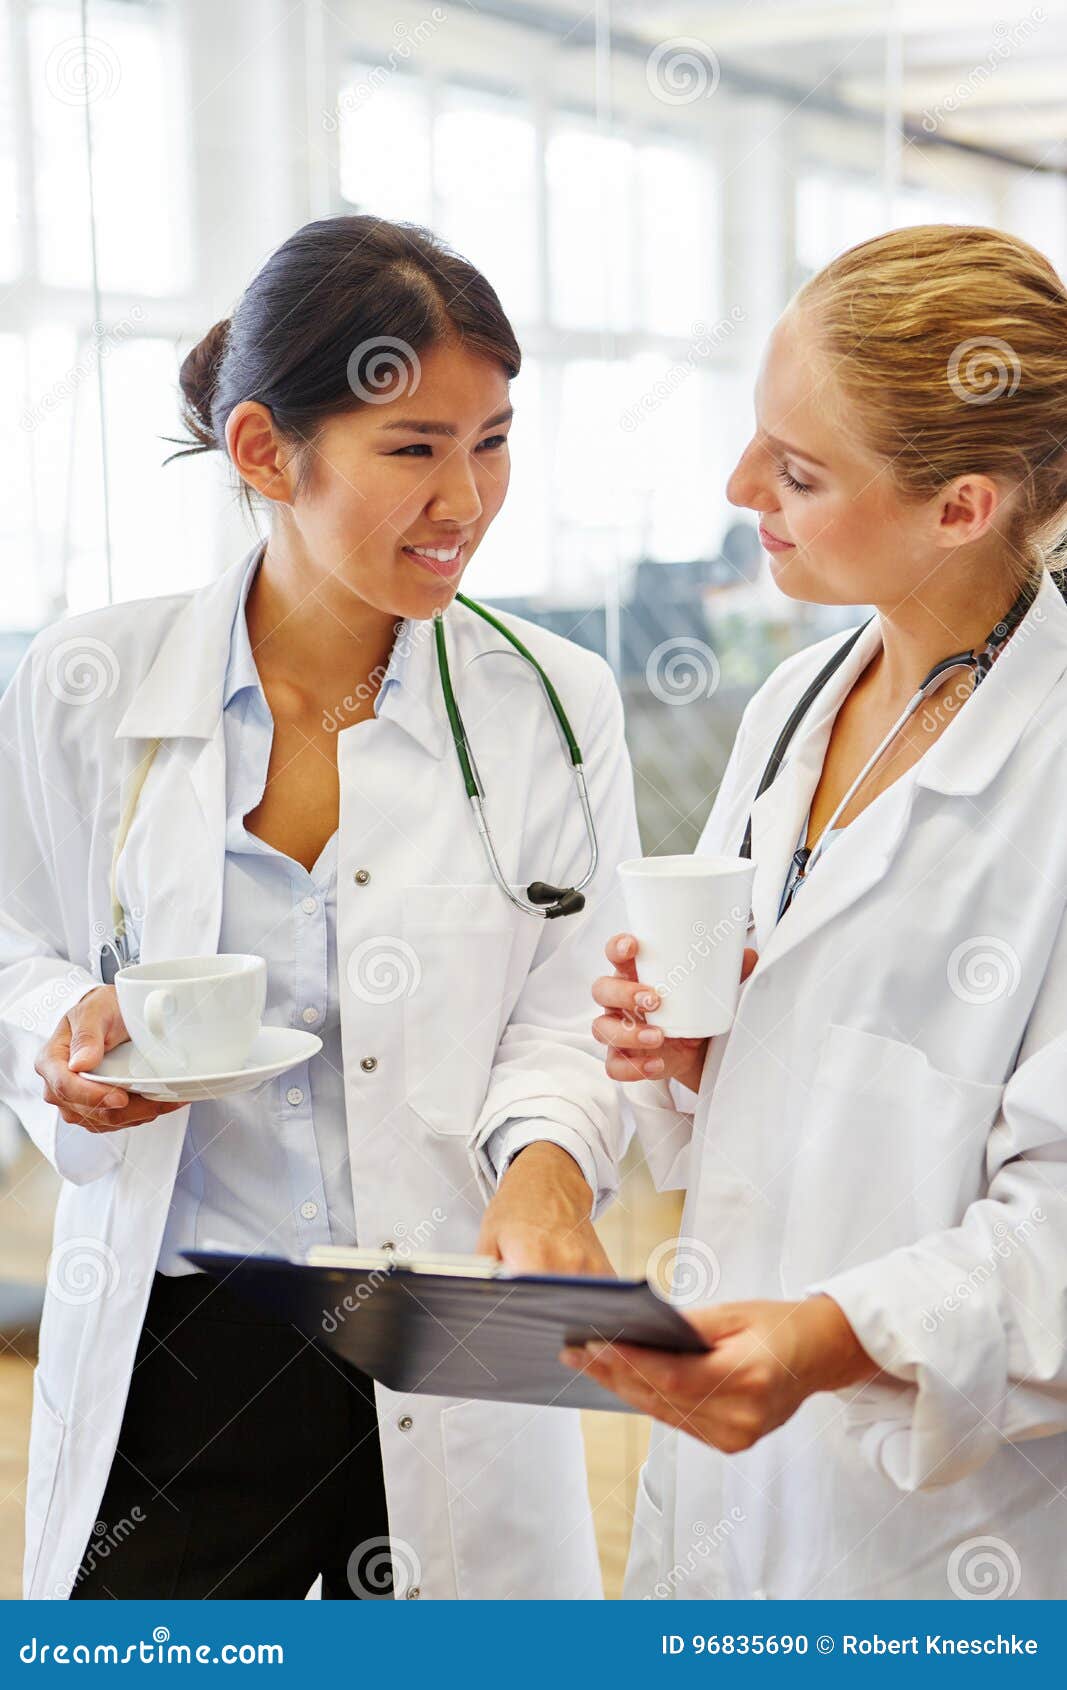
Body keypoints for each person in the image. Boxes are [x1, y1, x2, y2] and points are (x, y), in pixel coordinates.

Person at [0, 215, 639, 1600]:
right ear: (263, 452)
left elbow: (574, 1004)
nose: (466, 500)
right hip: (185, 1336)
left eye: (494, 440)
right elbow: (14, 943)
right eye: (413, 449)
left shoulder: (554, 704)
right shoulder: (86, 682)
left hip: (445, 1323)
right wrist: (67, 1027)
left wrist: (547, 1162)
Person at [575, 225, 1067, 1600]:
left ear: (962, 507)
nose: (741, 487)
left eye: (796, 471)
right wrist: (693, 1060)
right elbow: (812, 1088)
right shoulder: (800, 703)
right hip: (733, 1477)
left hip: (946, 1539)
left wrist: (832, 1339)